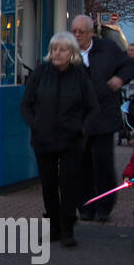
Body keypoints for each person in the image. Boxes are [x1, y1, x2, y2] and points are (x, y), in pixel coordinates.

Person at [19, 32, 97, 248]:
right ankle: (53, 228)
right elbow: (26, 105)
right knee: (48, 185)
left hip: (71, 139)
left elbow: (92, 108)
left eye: (62, 50)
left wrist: (82, 128)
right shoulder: (41, 73)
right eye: (54, 49)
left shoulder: (80, 75)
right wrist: (35, 124)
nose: (57, 53)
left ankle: (67, 228)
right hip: (44, 139)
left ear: (71, 53)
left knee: (68, 184)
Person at [70, 15, 134, 223]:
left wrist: (119, 78)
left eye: (81, 32)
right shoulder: (68, 51)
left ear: (91, 33)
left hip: (103, 116)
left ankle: (104, 206)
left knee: (103, 163)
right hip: (78, 119)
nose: (77, 35)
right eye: (74, 31)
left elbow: (129, 66)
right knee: (81, 164)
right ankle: (85, 207)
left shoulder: (108, 49)